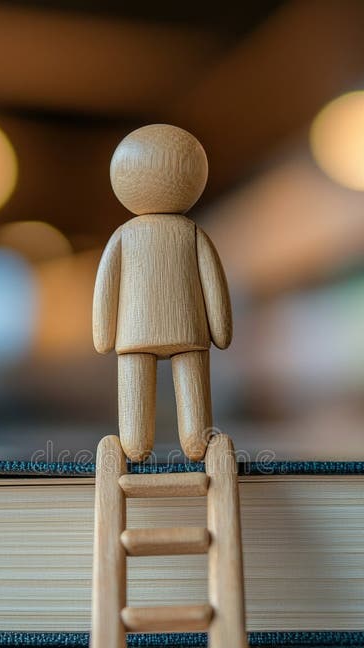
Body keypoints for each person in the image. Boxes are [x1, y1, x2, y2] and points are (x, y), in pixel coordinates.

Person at [92, 123, 232, 462]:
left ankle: (144, 443)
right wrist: (221, 330)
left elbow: (104, 289)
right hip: (187, 330)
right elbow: (214, 284)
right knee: (189, 389)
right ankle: (189, 441)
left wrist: (103, 334)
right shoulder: (190, 233)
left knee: (138, 396)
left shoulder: (126, 236)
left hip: (135, 331)